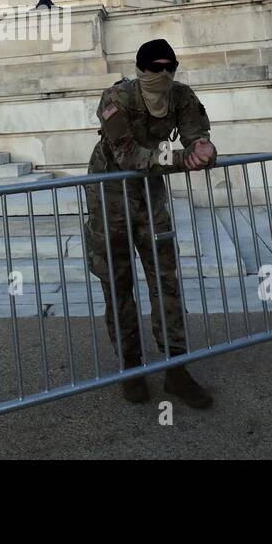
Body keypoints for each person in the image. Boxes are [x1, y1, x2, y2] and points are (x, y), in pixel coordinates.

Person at [84, 38, 217, 408]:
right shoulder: (116, 99)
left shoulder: (181, 96)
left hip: (150, 194)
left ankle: (176, 368)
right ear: (140, 69)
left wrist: (205, 150)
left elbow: (196, 135)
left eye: (168, 67)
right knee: (117, 281)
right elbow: (128, 154)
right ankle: (132, 366)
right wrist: (180, 158)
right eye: (153, 67)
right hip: (110, 196)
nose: (161, 74)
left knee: (165, 279)